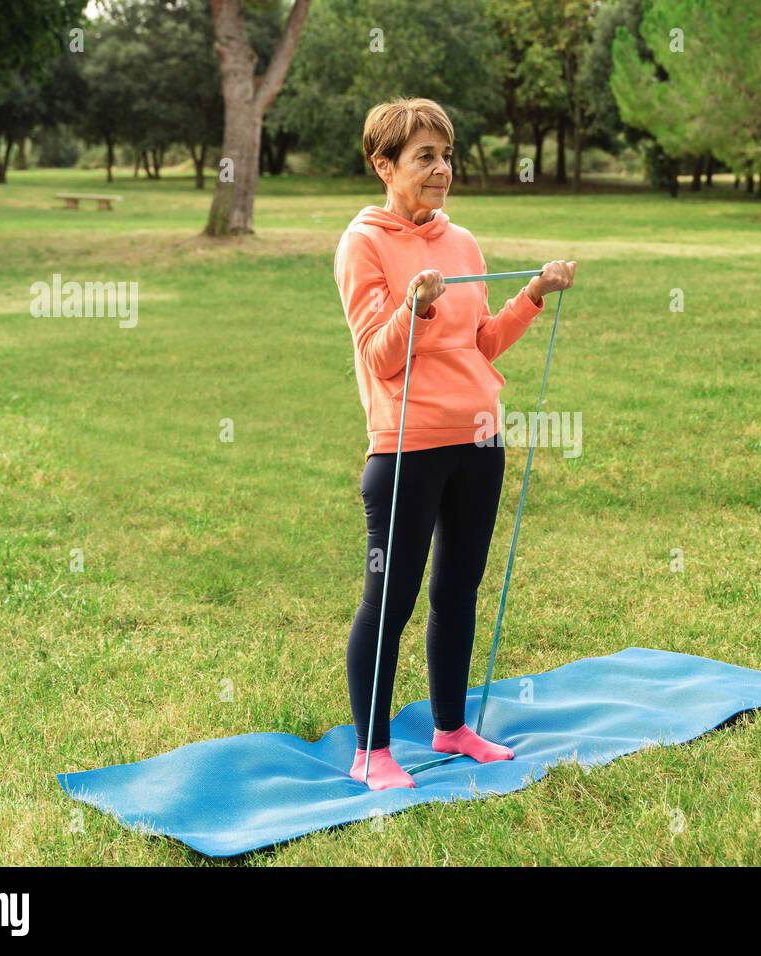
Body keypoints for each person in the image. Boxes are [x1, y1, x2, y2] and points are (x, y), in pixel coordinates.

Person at [333, 97, 576, 790]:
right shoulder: (365, 244)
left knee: (458, 591)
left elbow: (484, 342)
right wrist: (413, 306)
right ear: (384, 165)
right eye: (424, 158)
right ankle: (371, 751)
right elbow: (380, 358)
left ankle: (450, 726)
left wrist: (531, 293)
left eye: (446, 156)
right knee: (391, 600)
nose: (441, 170)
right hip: (406, 451)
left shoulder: (461, 242)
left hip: (478, 442)